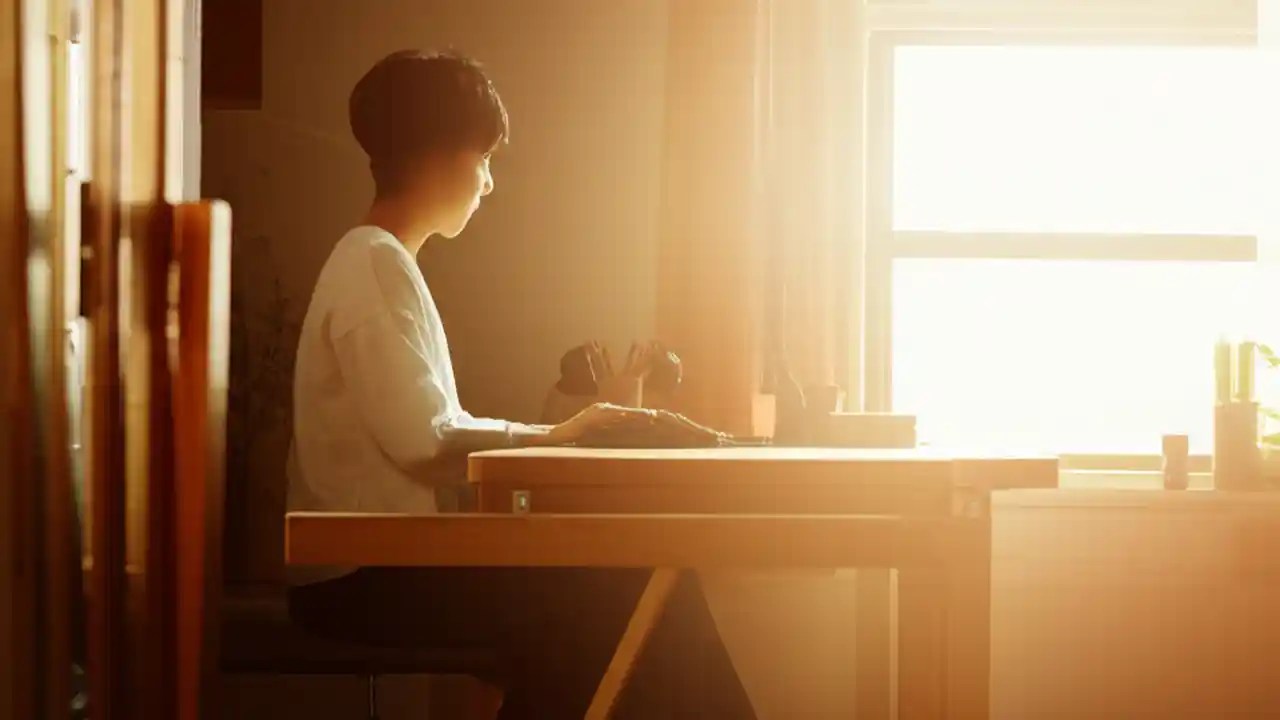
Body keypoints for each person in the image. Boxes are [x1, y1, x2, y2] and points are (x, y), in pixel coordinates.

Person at [285, 50, 755, 718]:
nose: (488, 184)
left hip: (382, 566)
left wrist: (569, 431)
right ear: (441, 154)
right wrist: (564, 434)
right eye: (486, 159)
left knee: (628, 600)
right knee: (632, 590)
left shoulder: (379, 262)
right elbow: (424, 442)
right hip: (361, 577)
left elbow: (427, 434)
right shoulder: (372, 264)